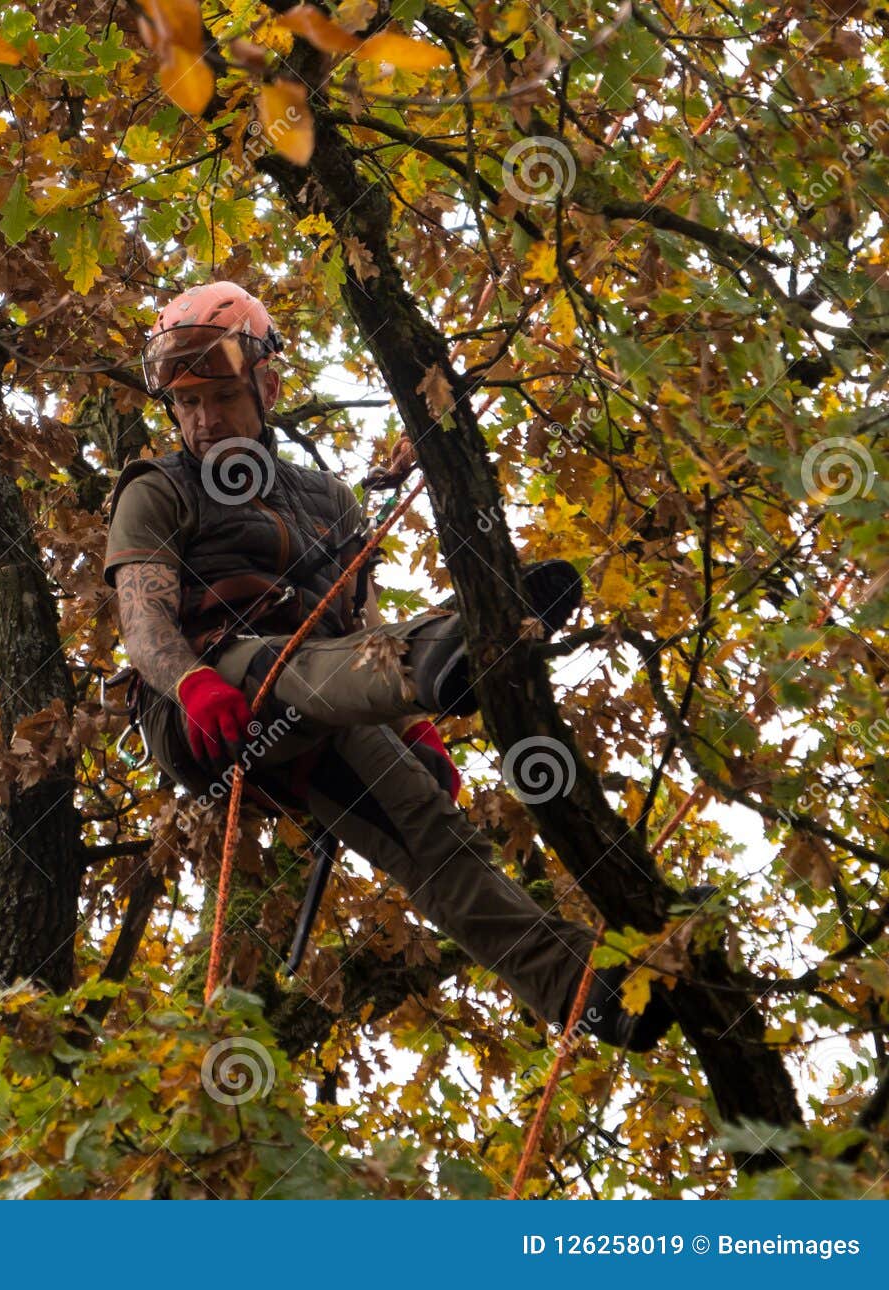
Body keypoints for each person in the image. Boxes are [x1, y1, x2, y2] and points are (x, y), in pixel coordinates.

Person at [102, 280, 705, 1052]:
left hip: (321, 702)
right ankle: (466, 635)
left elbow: (358, 633)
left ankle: (596, 995)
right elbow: (142, 618)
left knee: (441, 841)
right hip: (209, 703)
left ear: (268, 386)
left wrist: (419, 734)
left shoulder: (327, 500)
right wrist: (191, 683)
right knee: (275, 658)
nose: (202, 419)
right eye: (185, 403)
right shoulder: (158, 489)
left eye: (218, 396)